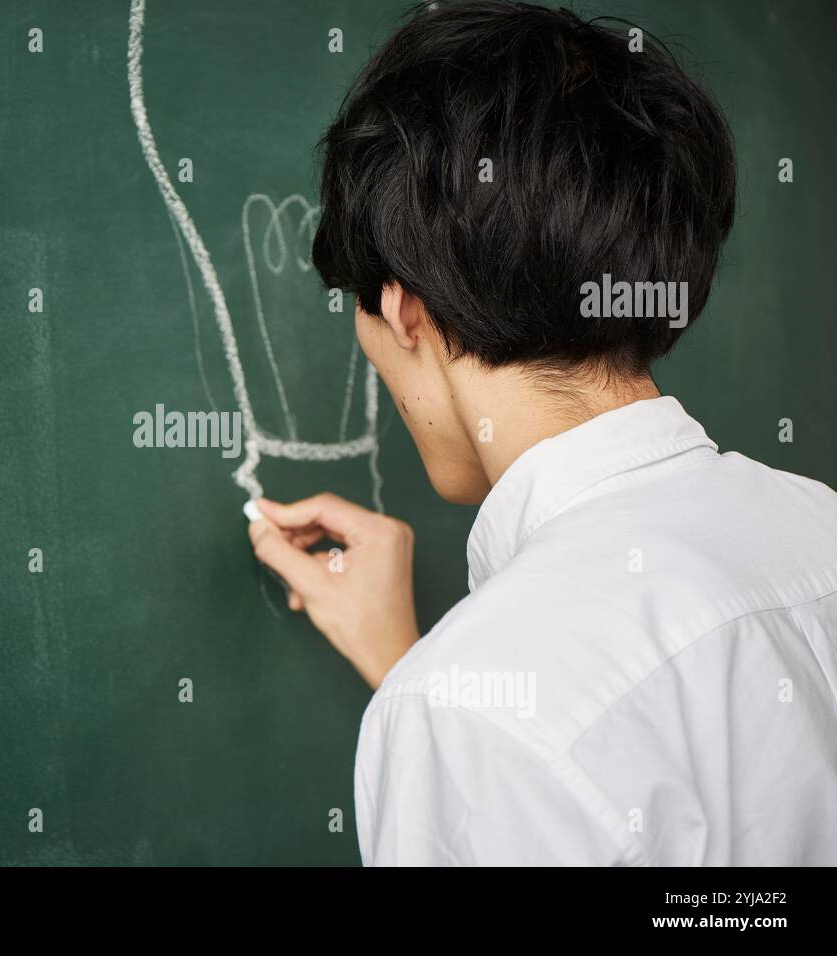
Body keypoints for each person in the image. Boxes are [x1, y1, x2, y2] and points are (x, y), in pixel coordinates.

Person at [246, 0, 837, 865]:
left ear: (406, 312)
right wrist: (422, 671)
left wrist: (444, 702)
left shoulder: (461, 718)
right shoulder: (818, 528)